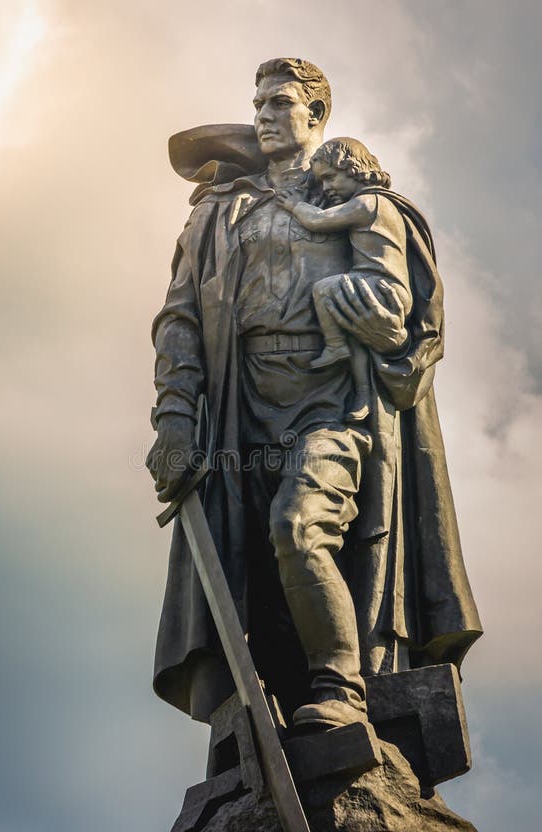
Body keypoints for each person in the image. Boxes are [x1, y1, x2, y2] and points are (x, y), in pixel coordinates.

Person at [147, 57, 482, 729]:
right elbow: (180, 320)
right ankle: (271, 720)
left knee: (300, 527)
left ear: (315, 115)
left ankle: (341, 691)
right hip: (244, 414)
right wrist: (176, 420)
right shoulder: (219, 213)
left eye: (279, 103)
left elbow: (411, 317)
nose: (265, 116)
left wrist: (385, 334)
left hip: (338, 402)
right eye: (258, 104)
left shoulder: (355, 199)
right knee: (258, 578)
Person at [278, 137, 412, 422]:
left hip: (379, 284)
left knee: (324, 289)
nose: (326, 188)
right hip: (383, 287)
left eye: (330, 178)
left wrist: (294, 207)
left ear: (352, 169)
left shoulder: (368, 203)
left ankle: (335, 344)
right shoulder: (385, 205)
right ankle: (362, 396)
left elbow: (320, 221)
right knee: (357, 335)